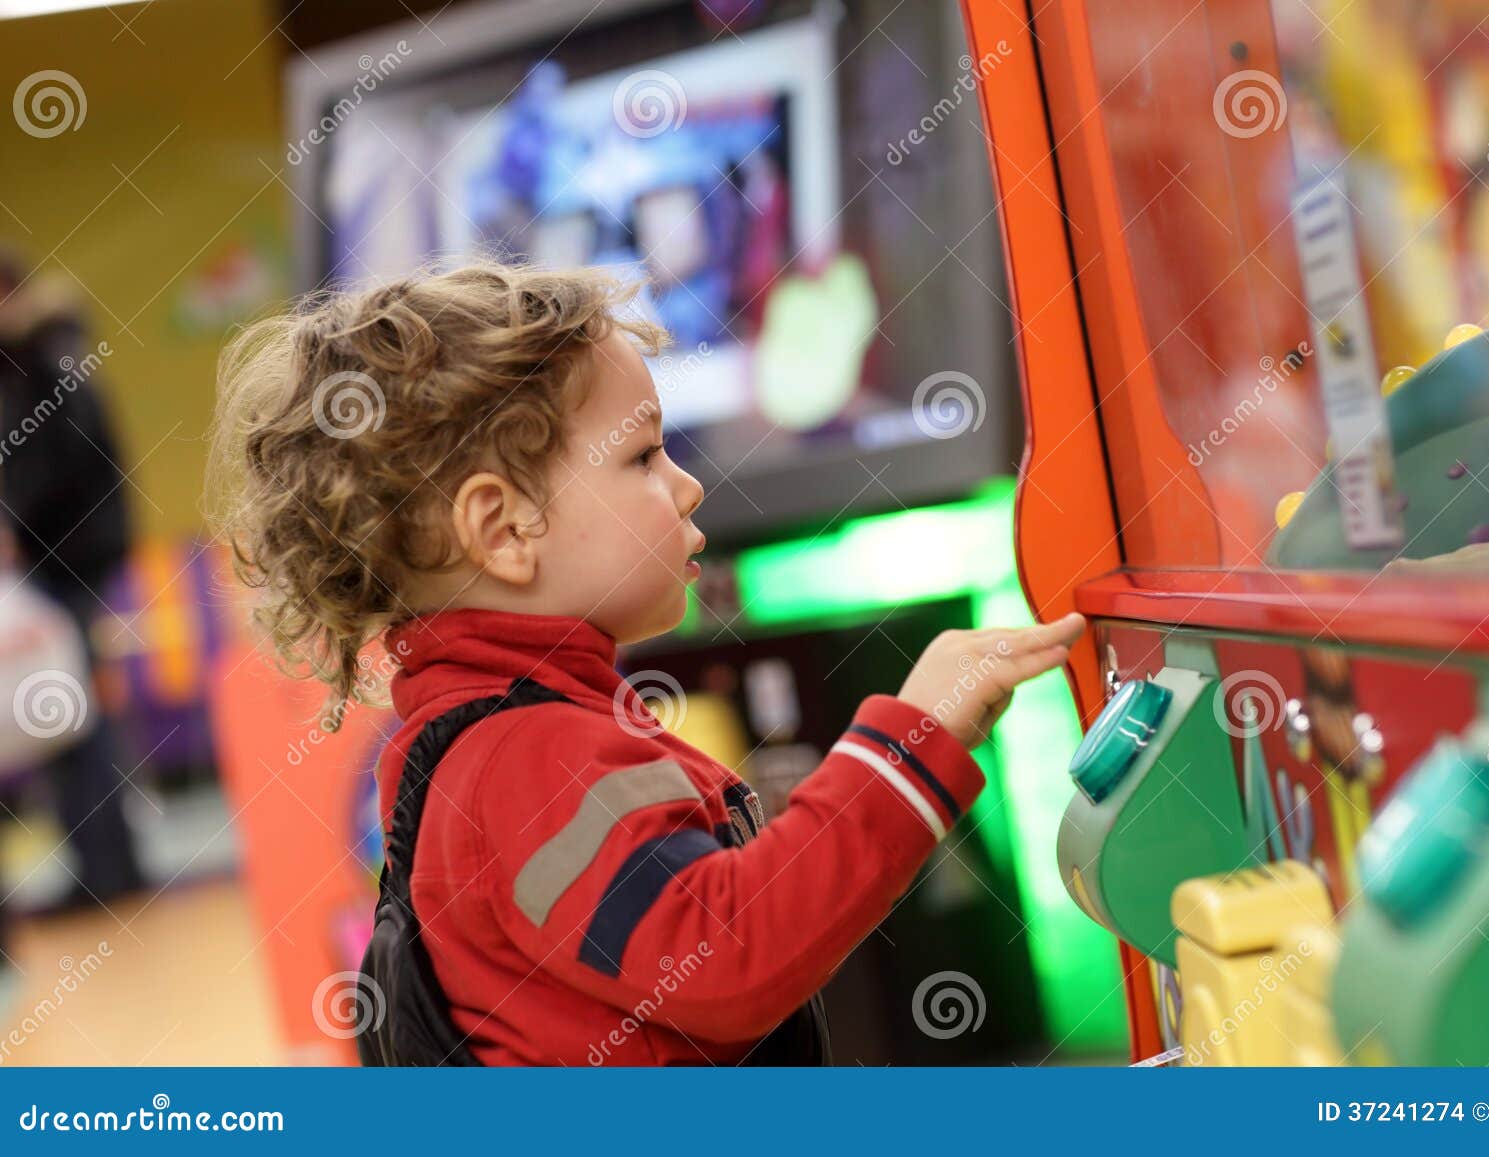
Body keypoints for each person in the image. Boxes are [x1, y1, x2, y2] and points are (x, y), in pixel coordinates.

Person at [207, 261, 1083, 1065]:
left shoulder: (481, 744)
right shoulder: (529, 762)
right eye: (642, 456)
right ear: (505, 530)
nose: (688, 484)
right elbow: (729, 952)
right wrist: (909, 742)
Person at [0, 250, 145, 919]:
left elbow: (60, 464)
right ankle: (103, 864)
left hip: (67, 562)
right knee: (66, 712)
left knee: (69, 717)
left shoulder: (46, 358)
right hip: (65, 560)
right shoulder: (44, 353)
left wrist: (15, 526)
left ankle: (107, 870)